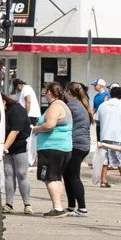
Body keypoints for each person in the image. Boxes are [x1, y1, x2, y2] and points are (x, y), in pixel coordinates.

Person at [31, 82, 73, 217]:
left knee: (49, 177)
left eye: (46, 91)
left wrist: (36, 129)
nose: (45, 94)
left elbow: (49, 125)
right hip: (62, 148)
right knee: (56, 177)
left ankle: (58, 207)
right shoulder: (63, 105)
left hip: (52, 148)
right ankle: (58, 205)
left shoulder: (55, 106)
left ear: (49, 92)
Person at [0, 92, 32, 214]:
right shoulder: (1, 112)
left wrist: (4, 148)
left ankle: (27, 204)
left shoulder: (16, 110)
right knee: (8, 174)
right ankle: (9, 203)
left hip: (18, 146)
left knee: (21, 173)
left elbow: (15, 131)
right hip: (6, 146)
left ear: (4, 101)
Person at [64, 82, 92, 216]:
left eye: (65, 91)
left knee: (73, 176)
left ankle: (82, 208)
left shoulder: (71, 106)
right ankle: (71, 206)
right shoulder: (81, 105)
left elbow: (62, 121)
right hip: (82, 144)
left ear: (69, 92)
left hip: (77, 144)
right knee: (67, 174)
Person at [95, 85, 121, 188]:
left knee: (104, 159)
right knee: (120, 159)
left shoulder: (102, 105)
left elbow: (97, 120)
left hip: (104, 135)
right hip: (118, 136)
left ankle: (103, 181)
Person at [12, 78, 42, 166]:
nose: (17, 91)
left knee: (28, 136)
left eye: (17, 88)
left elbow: (28, 101)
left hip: (30, 115)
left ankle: (30, 158)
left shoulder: (26, 89)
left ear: (18, 85)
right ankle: (30, 157)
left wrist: (25, 114)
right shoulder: (27, 89)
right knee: (30, 136)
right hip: (31, 115)